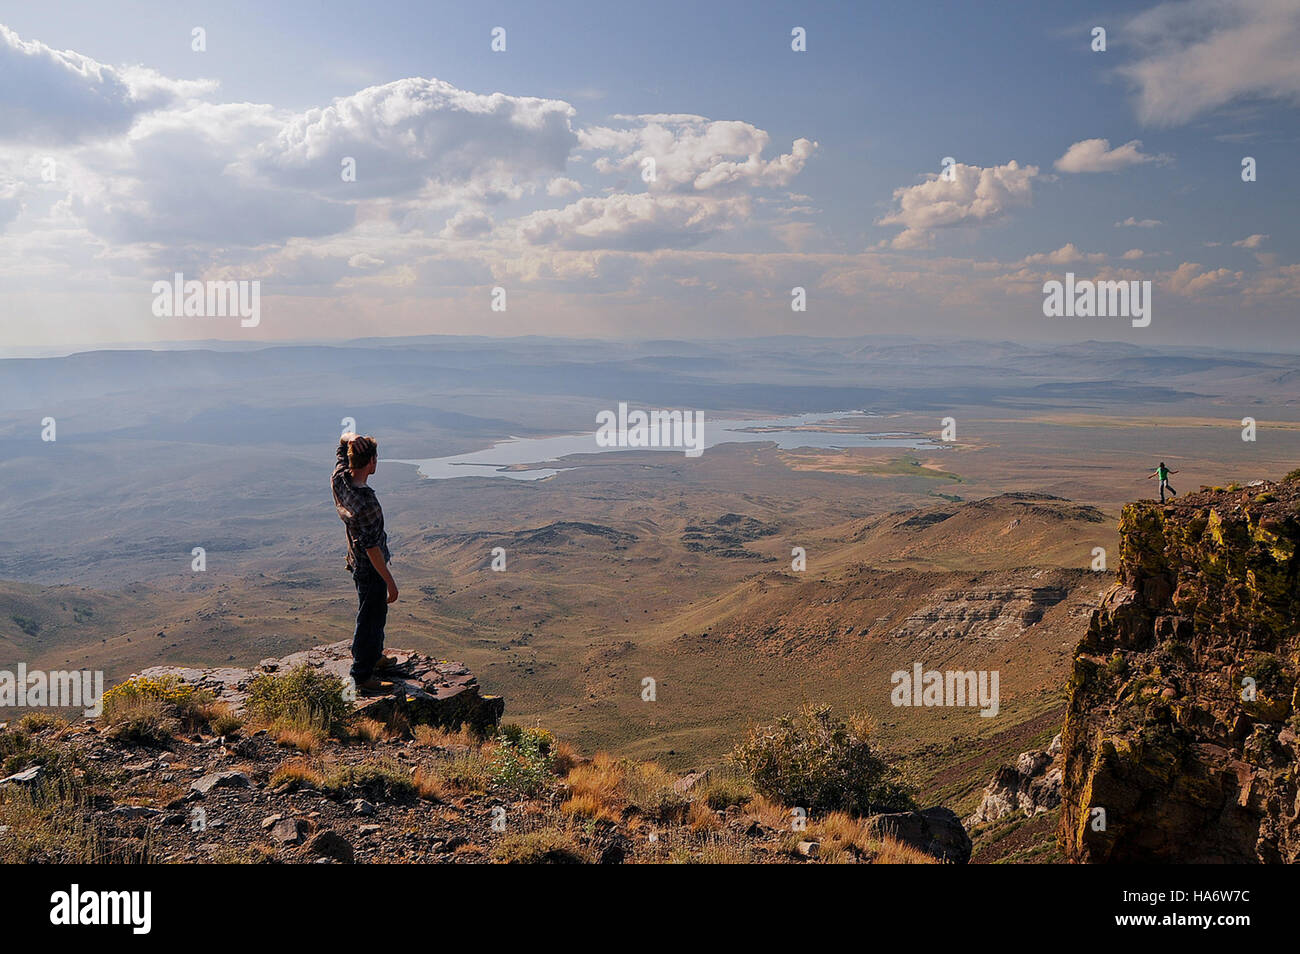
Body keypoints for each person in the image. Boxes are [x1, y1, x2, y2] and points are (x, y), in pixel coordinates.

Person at [332, 433, 398, 692]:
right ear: (371, 461)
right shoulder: (367, 502)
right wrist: (389, 581)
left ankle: (375, 656)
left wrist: (351, 437)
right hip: (370, 568)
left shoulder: (340, 481)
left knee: (375, 612)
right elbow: (372, 548)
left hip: (355, 562)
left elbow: (340, 447)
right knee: (369, 618)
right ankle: (361, 675)